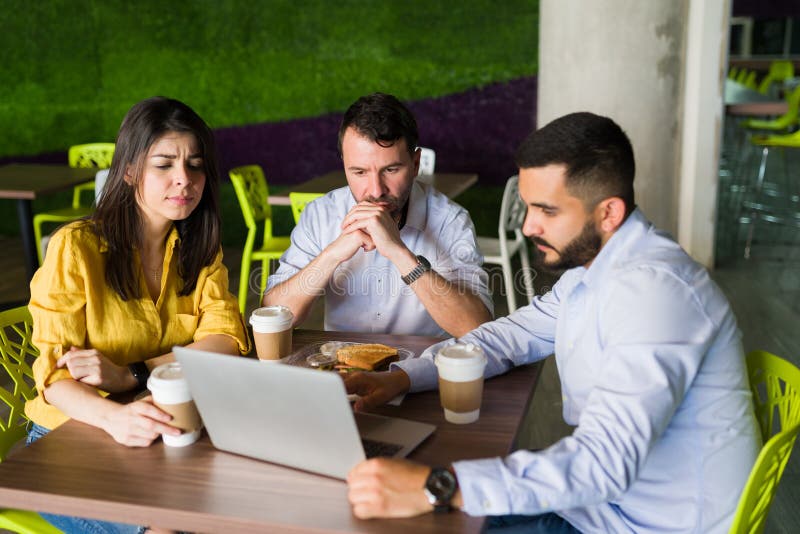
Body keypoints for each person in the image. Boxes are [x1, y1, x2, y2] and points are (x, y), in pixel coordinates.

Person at [344, 112, 761, 533]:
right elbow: (510, 336)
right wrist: (400, 377)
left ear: (609, 213)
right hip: (600, 508)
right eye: (528, 206)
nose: (528, 226)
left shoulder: (658, 296)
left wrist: (438, 485)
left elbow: (603, 464)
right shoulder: (593, 271)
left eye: (546, 210)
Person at [26, 96, 250, 534]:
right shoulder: (77, 247)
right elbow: (56, 380)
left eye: (195, 165)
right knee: (168, 526)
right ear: (129, 171)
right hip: (71, 437)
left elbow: (225, 341)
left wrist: (134, 373)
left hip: (159, 423)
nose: (184, 180)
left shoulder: (200, 247)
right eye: (164, 164)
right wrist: (115, 416)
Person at [263, 93, 492, 337]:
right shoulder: (320, 214)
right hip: (343, 365)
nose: (375, 190)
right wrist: (333, 254)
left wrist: (399, 252)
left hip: (423, 367)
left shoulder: (450, 220)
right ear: (344, 165)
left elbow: (476, 327)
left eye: (391, 169)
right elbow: (275, 315)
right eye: (359, 172)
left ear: (416, 164)